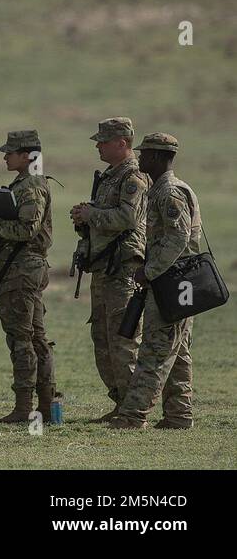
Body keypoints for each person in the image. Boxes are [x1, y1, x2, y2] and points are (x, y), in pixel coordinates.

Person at [109, 133, 201, 430]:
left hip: (171, 281)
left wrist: (149, 271)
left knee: (155, 349)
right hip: (177, 282)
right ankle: (178, 415)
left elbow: (177, 238)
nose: (141, 159)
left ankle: (133, 416)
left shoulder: (169, 191)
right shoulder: (161, 188)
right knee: (179, 350)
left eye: (146, 154)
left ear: (159, 158)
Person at [0, 130, 57, 424]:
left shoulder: (30, 186)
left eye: (11, 152)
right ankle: (45, 407)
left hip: (21, 271)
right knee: (35, 339)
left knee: (22, 340)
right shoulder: (24, 184)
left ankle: (25, 408)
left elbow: (26, 231)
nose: (5, 156)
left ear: (28, 156)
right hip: (20, 269)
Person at [70, 117, 149, 421]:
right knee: (102, 337)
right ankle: (120, 403)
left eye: (103, 141)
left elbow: (128, 219)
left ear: (122, 143)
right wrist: (85, 218)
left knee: (123, 337)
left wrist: (93, 214)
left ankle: (133, 409)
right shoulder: (110, 176)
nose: (98, 146)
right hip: (103, 267)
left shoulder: (133, 177)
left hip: (122, 269)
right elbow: (106, 217)